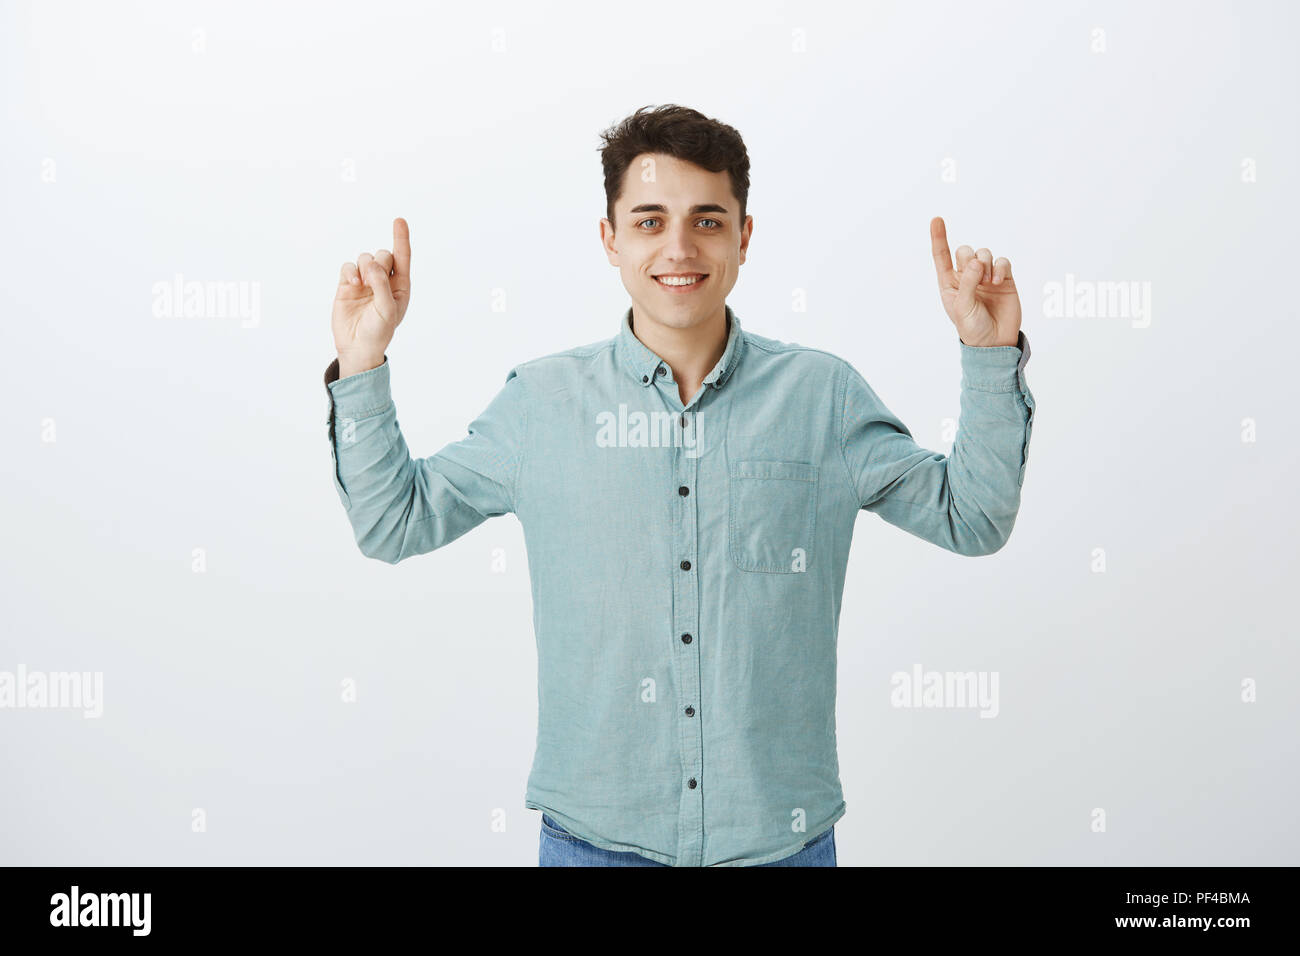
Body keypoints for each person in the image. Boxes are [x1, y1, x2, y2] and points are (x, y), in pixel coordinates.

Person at [323, 104, 1035, 867]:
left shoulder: (820, 398)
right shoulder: (542, 404)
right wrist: (363, 363)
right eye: (650, 220)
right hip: (593, 846)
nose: (678, 248)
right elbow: (393, 522)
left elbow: (972, 518)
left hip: (779, 845)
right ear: (611, 239)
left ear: (744, 236)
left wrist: (988, 358)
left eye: (706, 220)